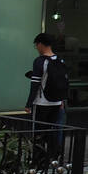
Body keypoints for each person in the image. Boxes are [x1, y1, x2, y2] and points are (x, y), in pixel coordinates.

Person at [24, 32, 67, 162]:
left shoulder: (40, 61)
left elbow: (35, 84)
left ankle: (39, 158)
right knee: (55, 130)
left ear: (41, 44)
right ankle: (55, 157)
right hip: (57, 102)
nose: (37, 48)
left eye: (36, 45)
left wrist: (29, 103)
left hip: (42, 102)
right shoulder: (60, 60)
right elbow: (64, 83)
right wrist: (62, 100)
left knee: (38, 132)